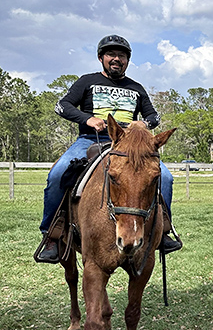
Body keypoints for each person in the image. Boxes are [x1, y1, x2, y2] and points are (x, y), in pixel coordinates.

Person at [36, 35, 181, 263]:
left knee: (166, 178)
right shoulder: (87, 81)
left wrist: (143, 124)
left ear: (127, 60)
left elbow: (154, 115)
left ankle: (162, 232)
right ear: (101, 58)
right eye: (111, 55)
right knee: (57, 173)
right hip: (89, 139)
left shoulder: (136, 88)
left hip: (128, 145)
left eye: (121, 56)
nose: (116, 59)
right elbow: (61, 106)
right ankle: (51, 236)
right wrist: (87, 119)